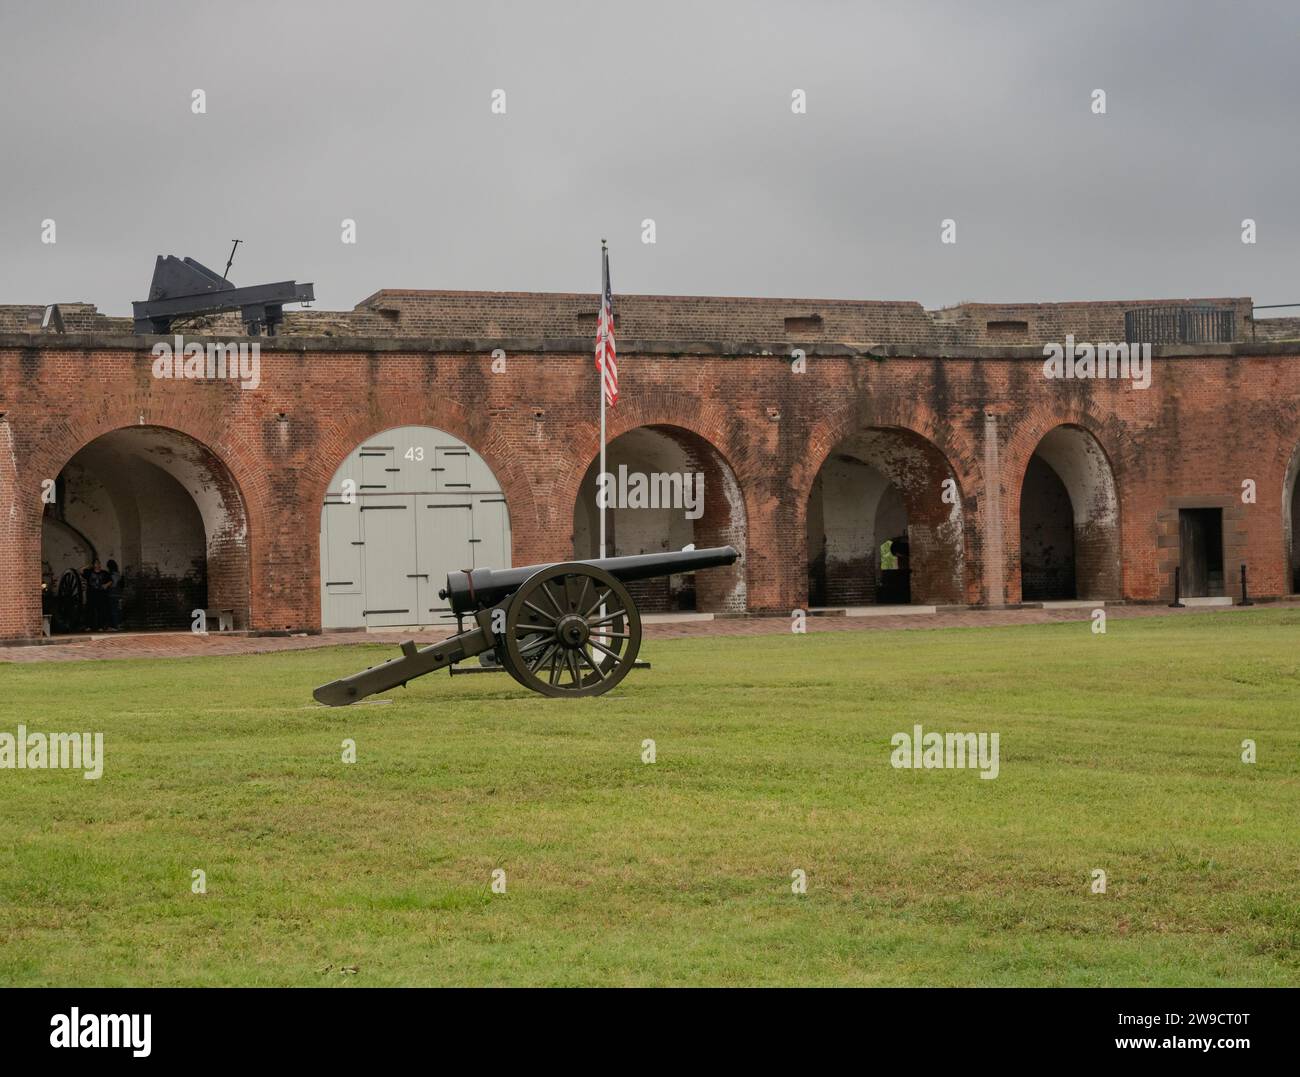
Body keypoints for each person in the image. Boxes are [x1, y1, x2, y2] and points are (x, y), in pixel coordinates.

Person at [105, 559, 124, 631]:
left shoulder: (110, 574)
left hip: (112, 594)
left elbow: (112, 584)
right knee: (118, 610)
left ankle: (115, 626)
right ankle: (119, 624)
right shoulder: (118, 574)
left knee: (113, 610)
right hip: (119, 594)